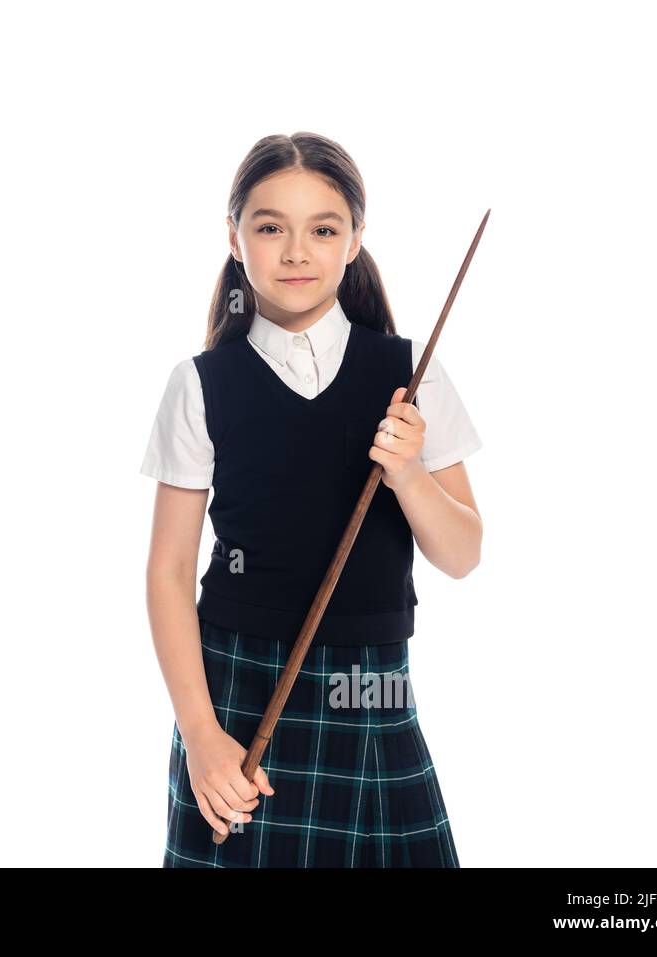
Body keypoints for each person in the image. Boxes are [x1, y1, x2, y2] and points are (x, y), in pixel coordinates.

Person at [141, 132, 483, 867]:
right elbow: (168, 571)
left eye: (323, 229)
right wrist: (201, 737)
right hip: (236, 695)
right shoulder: (201, 383)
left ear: (356, 240)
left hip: (372, 693)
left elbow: (462, 553)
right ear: (235, 238)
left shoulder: (411, 376)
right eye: (270, 227)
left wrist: (409, 472)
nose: (296, 251)